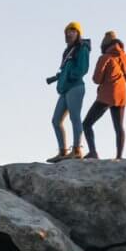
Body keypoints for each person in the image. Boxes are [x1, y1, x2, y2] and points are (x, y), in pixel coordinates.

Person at [79, 31, 126, 159]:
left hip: (106, 94)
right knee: (119, 126)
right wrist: (121, 79)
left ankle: (93, 152)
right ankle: (119, 156)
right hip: (121, 94)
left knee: (87, 123)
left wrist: (109, 80)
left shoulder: (105, 57)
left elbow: (96, 79)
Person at [44, 22, 92, 161]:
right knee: (56, 120)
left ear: (78, 33)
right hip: (65, 89)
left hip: (76, 87)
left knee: (74, 117)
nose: (70, 33)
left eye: (73, 31)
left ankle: (77, 150)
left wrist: (70, 76)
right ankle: (62, 152)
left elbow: (82, 68)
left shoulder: (82, 48)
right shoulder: (68, 51)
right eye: (67, 32)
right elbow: (66, 69)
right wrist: (58, 78)